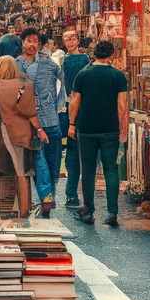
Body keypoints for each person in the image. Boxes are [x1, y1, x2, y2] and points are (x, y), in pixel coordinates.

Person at [67, 40, 129, 227]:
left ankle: (88, 210)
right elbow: (122, 104)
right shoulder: (118, 76)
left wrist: (71, 124)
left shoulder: (83, 74)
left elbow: (74, 101)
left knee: (88, 169)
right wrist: (123, 125)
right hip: (109, 126)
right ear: (111, 56)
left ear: (95, 54)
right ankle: (112, 212)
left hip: (86, 127)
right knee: (111, 169)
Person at [0, 56, 46, 219]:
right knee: (23, 174)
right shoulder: (25, 85)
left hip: (3, 134)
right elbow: (31, 111)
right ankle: (24, 211)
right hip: (25, 136)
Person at [16, 27, 66, 217]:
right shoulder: (17, 65)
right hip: (30, 122)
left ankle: (48, 196)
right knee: (39, 160)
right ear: (22, 43)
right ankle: (45, 197)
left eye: (35, 41)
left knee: (53, 162)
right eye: (28, 40)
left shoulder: (50, 64)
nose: (32, 44)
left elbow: (63, 83)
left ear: (40, 44)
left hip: (51, 120)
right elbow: (17, 93)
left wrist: (58, 104)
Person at [58, 28, 90, 209]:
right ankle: (72, 193)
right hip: (70, 107)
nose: (70, 42)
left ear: (78, 40)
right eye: (66, 39)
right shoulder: (64, 60)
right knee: (74, 152)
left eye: (72, 38)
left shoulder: (83, 59)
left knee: (76, 152)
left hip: (78, 107)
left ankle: (76, 194)